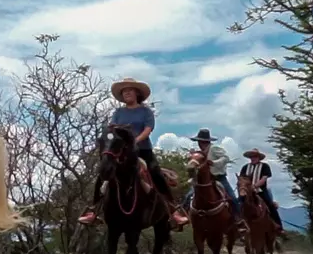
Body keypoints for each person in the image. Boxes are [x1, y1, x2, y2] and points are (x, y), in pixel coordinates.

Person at [78, 78, 190, 228]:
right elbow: (112, 130)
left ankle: (173, 209)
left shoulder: (146, 112)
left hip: (143, 150)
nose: (127, 93)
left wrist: (134, 141)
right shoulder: (118, 112)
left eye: (130, 90)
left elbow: (148, 130)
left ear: (137, 93)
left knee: (155, 172)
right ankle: (94, 210)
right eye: (124, 91)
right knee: (103, 173)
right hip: (121, 153)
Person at [180, 128, 244, 231]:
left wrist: (214, 162)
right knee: (189, 195)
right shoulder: (199, 153)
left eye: (203, 141)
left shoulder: (214, 149)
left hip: (219, 178)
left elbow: (225, 158)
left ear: (207, 142)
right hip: (206, 179)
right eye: (200, 141)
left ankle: (238, 220)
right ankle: (182, 217)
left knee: (232, 197)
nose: (201, 144)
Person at [238, 148, 286, 235]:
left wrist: (254, 186)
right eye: (251, 156)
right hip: (247, 191)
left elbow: (264, 179)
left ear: (258, 157)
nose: (253, 158)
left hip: (260, 190)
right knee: (238, 203)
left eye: (255, 156)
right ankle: (238, 225)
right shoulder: (245, 167)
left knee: (270, 204)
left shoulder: (264, 166)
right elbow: (242, 179)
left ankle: (278, 227)